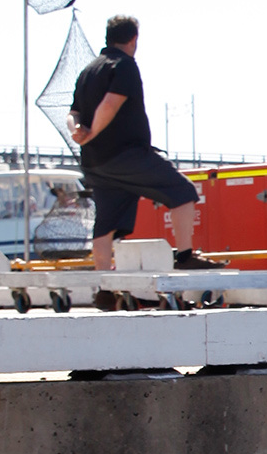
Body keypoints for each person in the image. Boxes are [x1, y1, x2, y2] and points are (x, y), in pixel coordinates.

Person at [69, 15, 206, 270]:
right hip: (125, 155)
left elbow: (73, 113)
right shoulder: (124, 65)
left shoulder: (88, 71)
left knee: (105, 223)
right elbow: (111, 104)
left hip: (94, 162)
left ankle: (103, 283)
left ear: (108, 37)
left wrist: (77, 131)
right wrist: (92, 132)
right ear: (134, 39)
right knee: (183, 191)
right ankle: (186, 256)